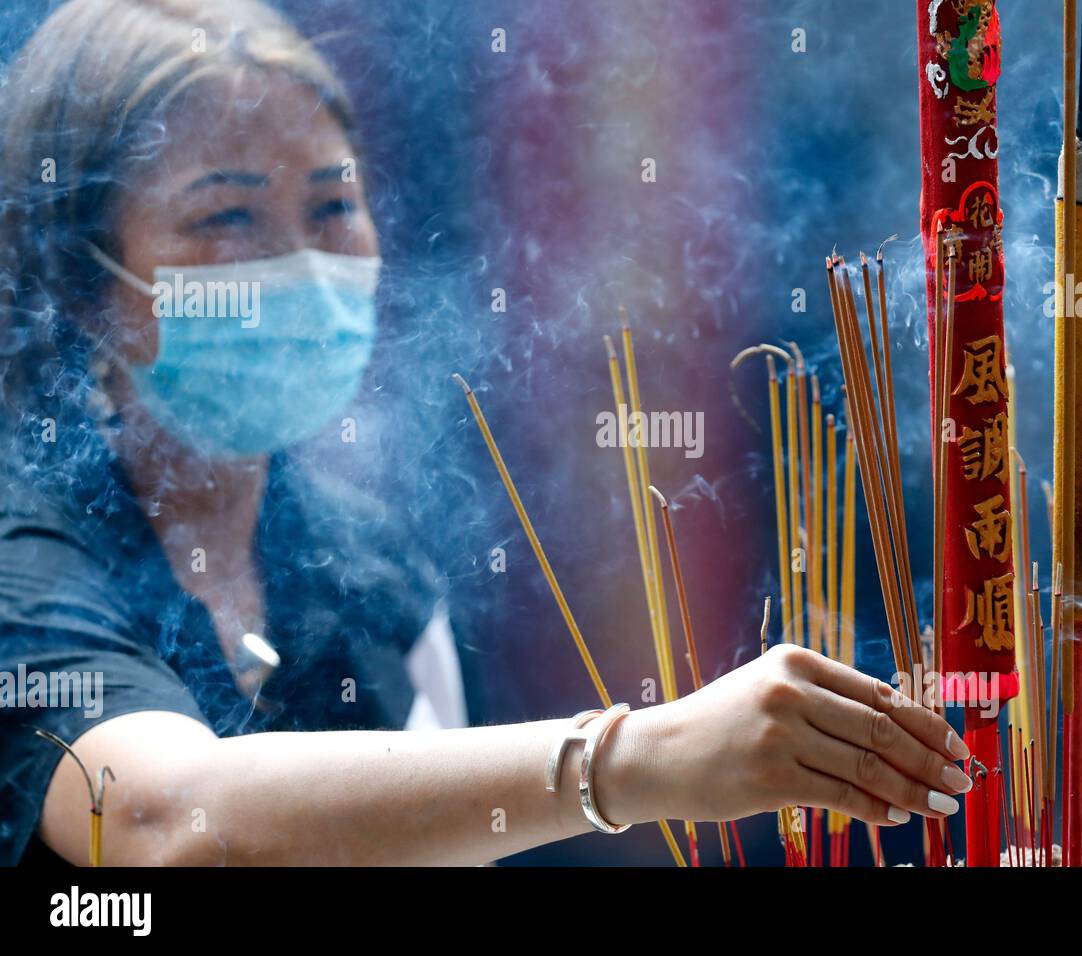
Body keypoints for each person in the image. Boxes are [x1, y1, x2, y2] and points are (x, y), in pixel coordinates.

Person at [0, 0, 970, 867]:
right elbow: (156, 821)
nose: (301, 259)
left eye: (334, 206)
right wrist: (635, 760)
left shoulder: (368, 572)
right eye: (227, 215)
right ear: (85, 281)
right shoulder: (24, 558)